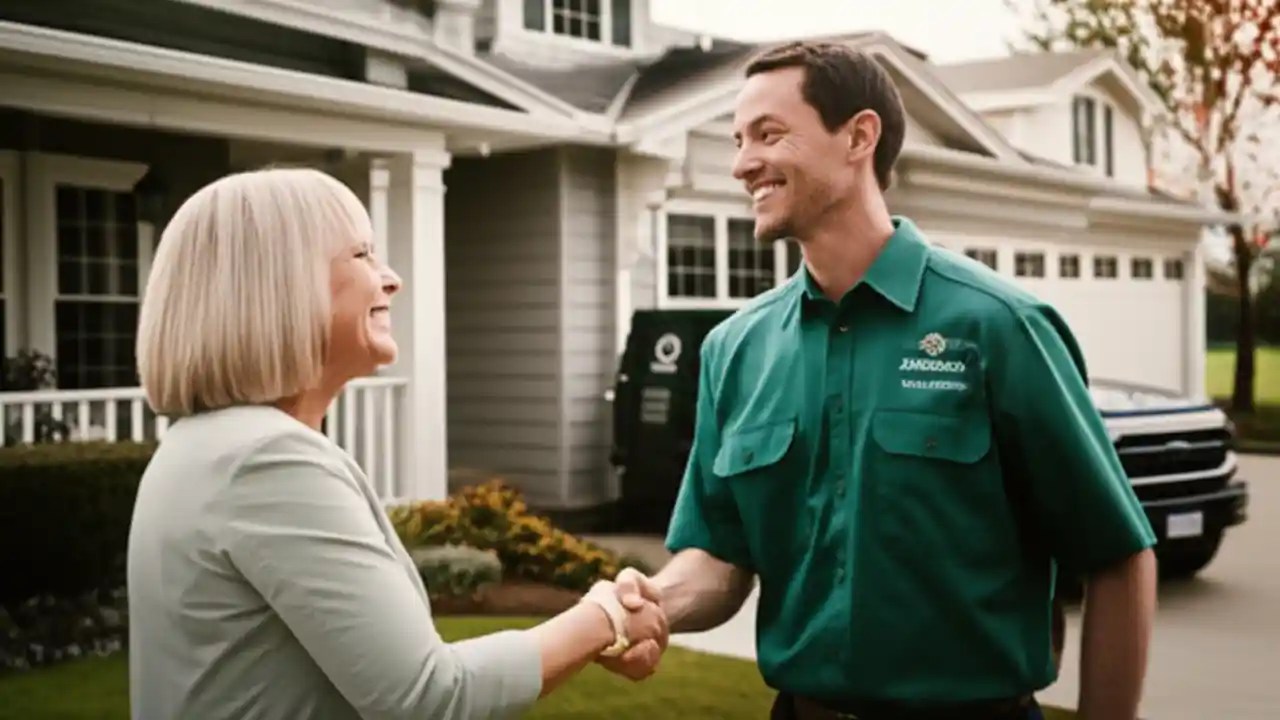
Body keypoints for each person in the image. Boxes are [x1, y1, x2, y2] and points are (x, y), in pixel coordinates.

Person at [597, 41, 1158, 720]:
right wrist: (650, 604)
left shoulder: (999, 327)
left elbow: (1118, 555)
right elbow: (718, 555)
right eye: (738, 139)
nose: (743, 162)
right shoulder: (734, 351)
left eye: (769, 135)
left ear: (859, 136)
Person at [126, 167, 666, 720]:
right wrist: (605, 617)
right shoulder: (268, 461)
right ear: (281, 284)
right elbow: (429, 697)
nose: (390, 279)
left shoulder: (201, 447)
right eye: (361, 254)